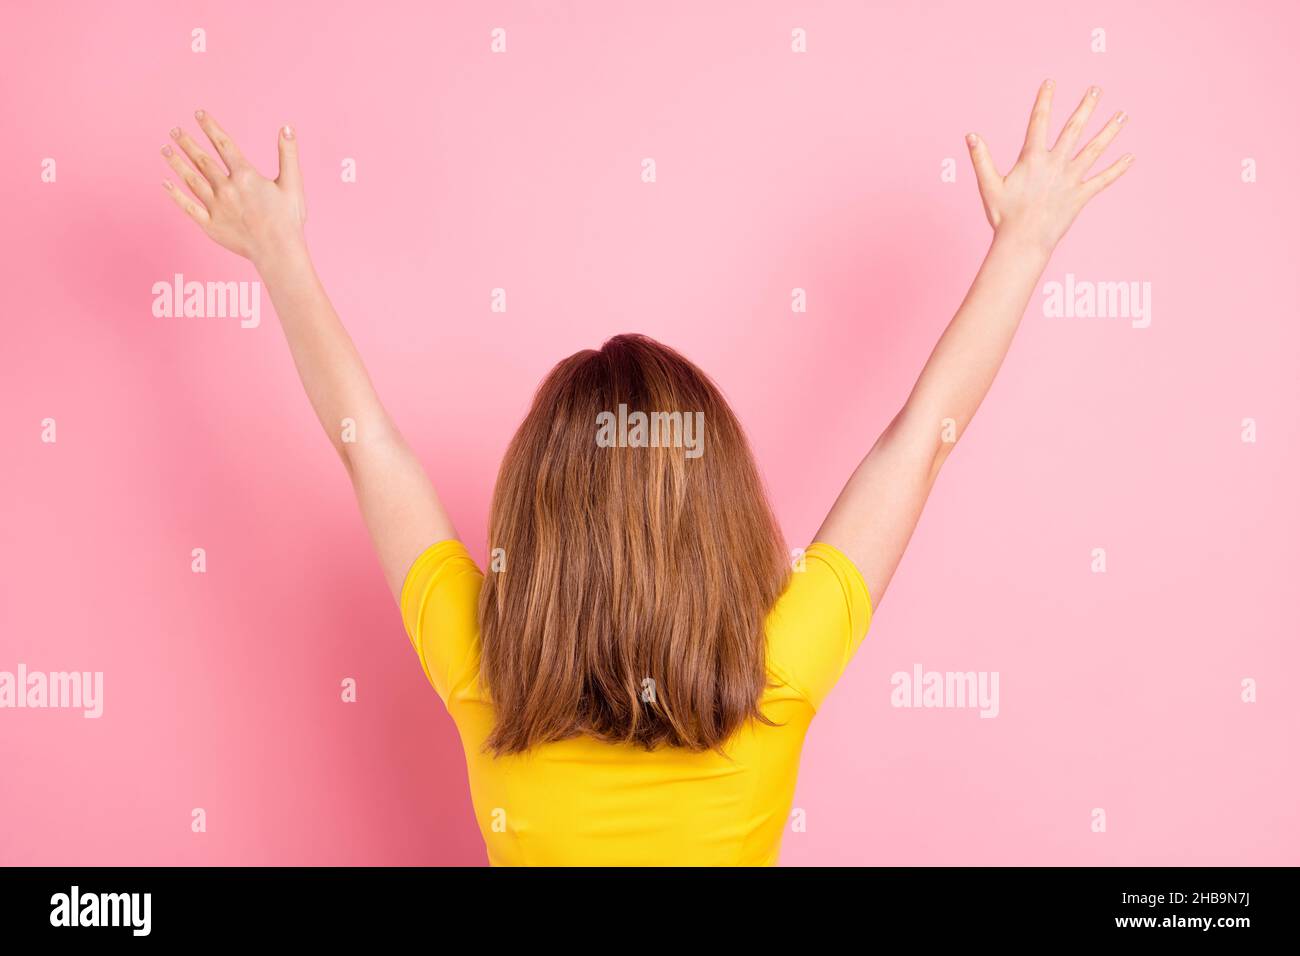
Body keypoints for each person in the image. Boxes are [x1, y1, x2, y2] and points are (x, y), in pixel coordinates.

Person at [159, 81, 1132, 865]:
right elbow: (921, 437)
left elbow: (364, 439)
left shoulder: (482, 668)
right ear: (717, 515)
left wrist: (277, 251)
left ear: (537, 513)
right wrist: (1026, 244)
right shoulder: (778, 672)